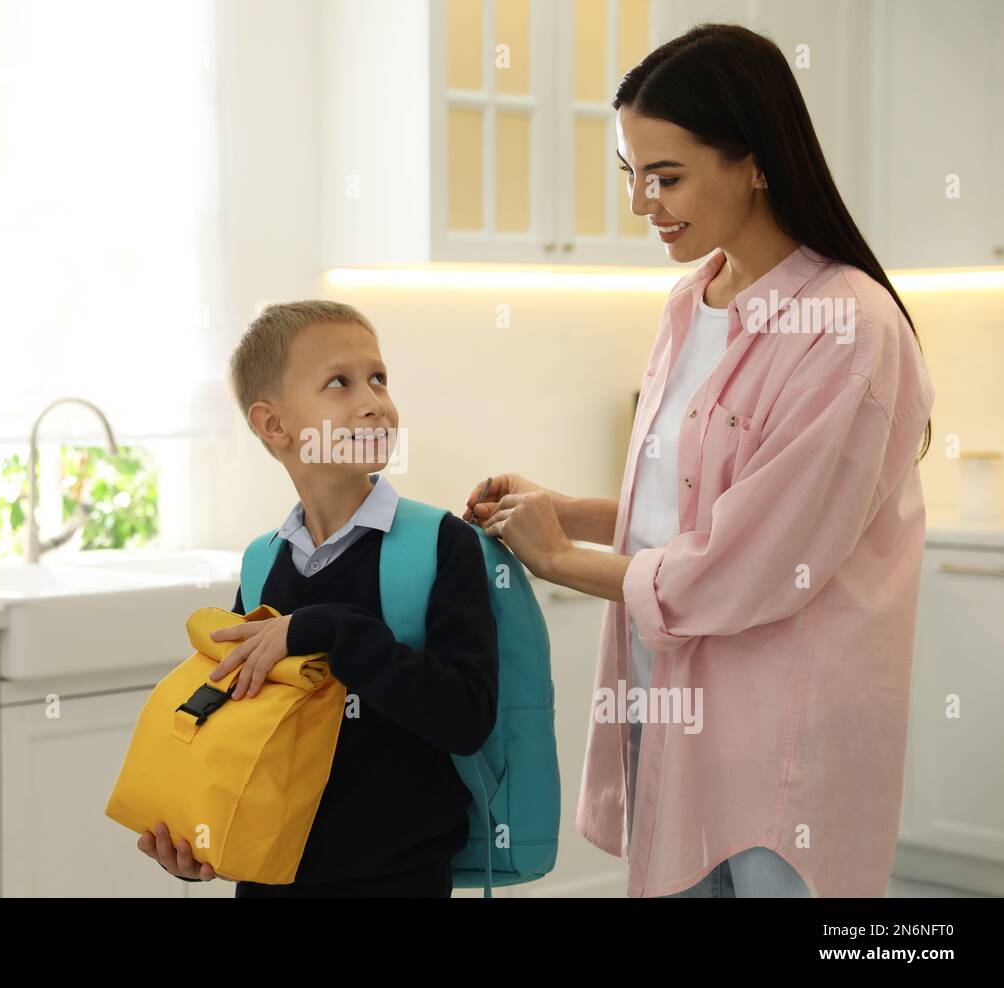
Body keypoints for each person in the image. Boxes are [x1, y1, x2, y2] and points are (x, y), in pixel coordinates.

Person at [464, 23, 935, 897]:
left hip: (780, 733)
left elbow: (750, 559)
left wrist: (563, 559)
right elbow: (701, 507)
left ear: (755, 161)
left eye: (666, 175)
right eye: (630, 175)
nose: (642, 202)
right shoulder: (691, 301)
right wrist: (570, 510)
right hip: (673, 698)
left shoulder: (849, 328)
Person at [139, 300, 499, 897]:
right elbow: (234, 727)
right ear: (273, 425)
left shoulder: (441, 545)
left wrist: (331, 629)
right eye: (340, 382)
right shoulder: (262, 565)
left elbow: (465, 718)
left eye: (378, 378)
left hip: (396, 883)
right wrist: (192, 836)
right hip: (265, 879)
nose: (374, 401)